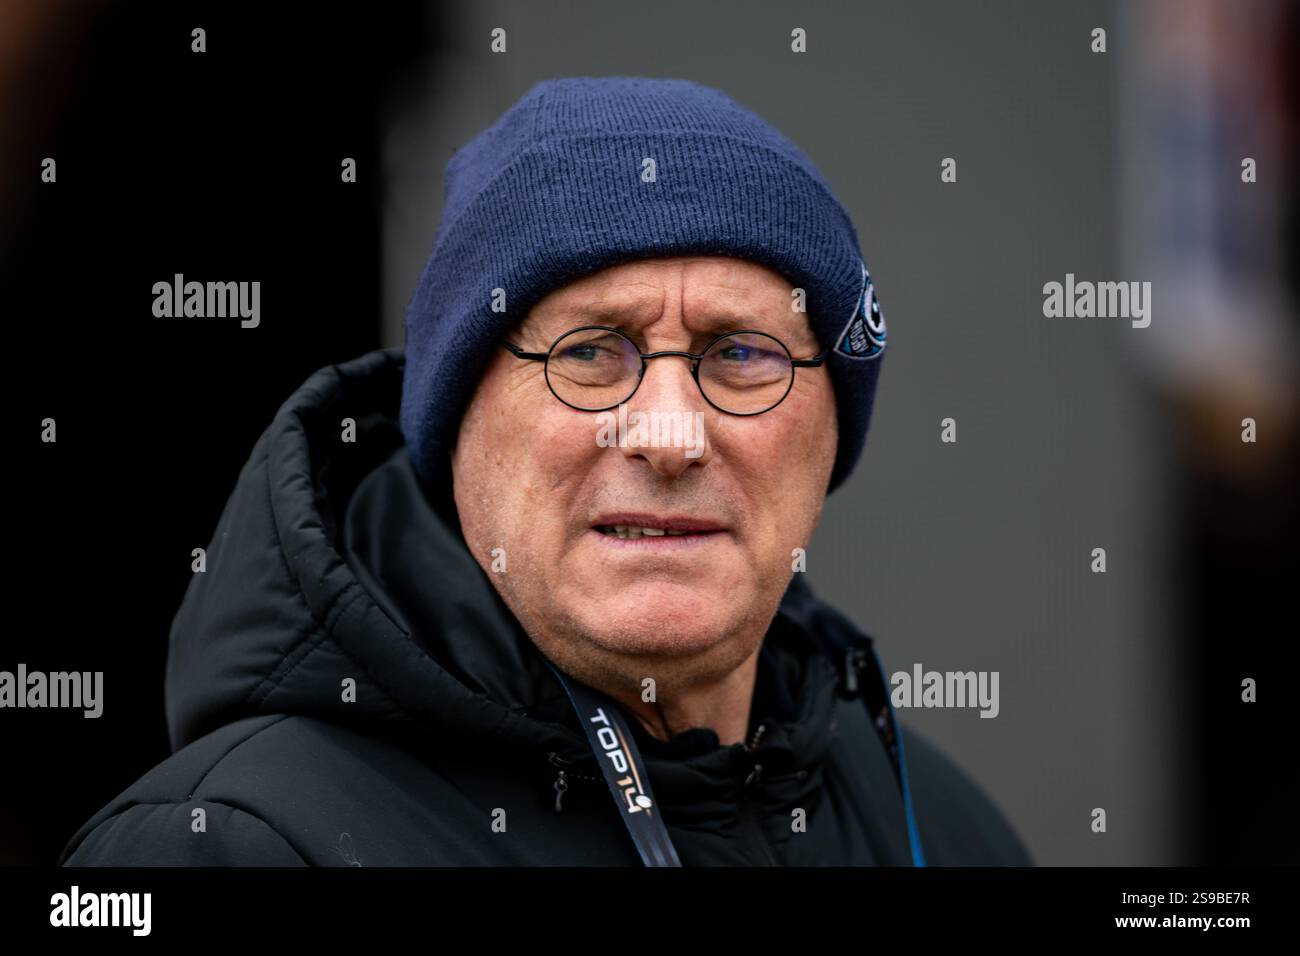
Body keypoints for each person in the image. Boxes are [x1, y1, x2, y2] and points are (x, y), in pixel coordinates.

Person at [60, 77, 1032, 866]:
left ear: (830, 432)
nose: (668, 433)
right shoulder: (233, 845)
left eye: (740, 353)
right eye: (589, 352)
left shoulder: (939, 827)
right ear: (456, 421)